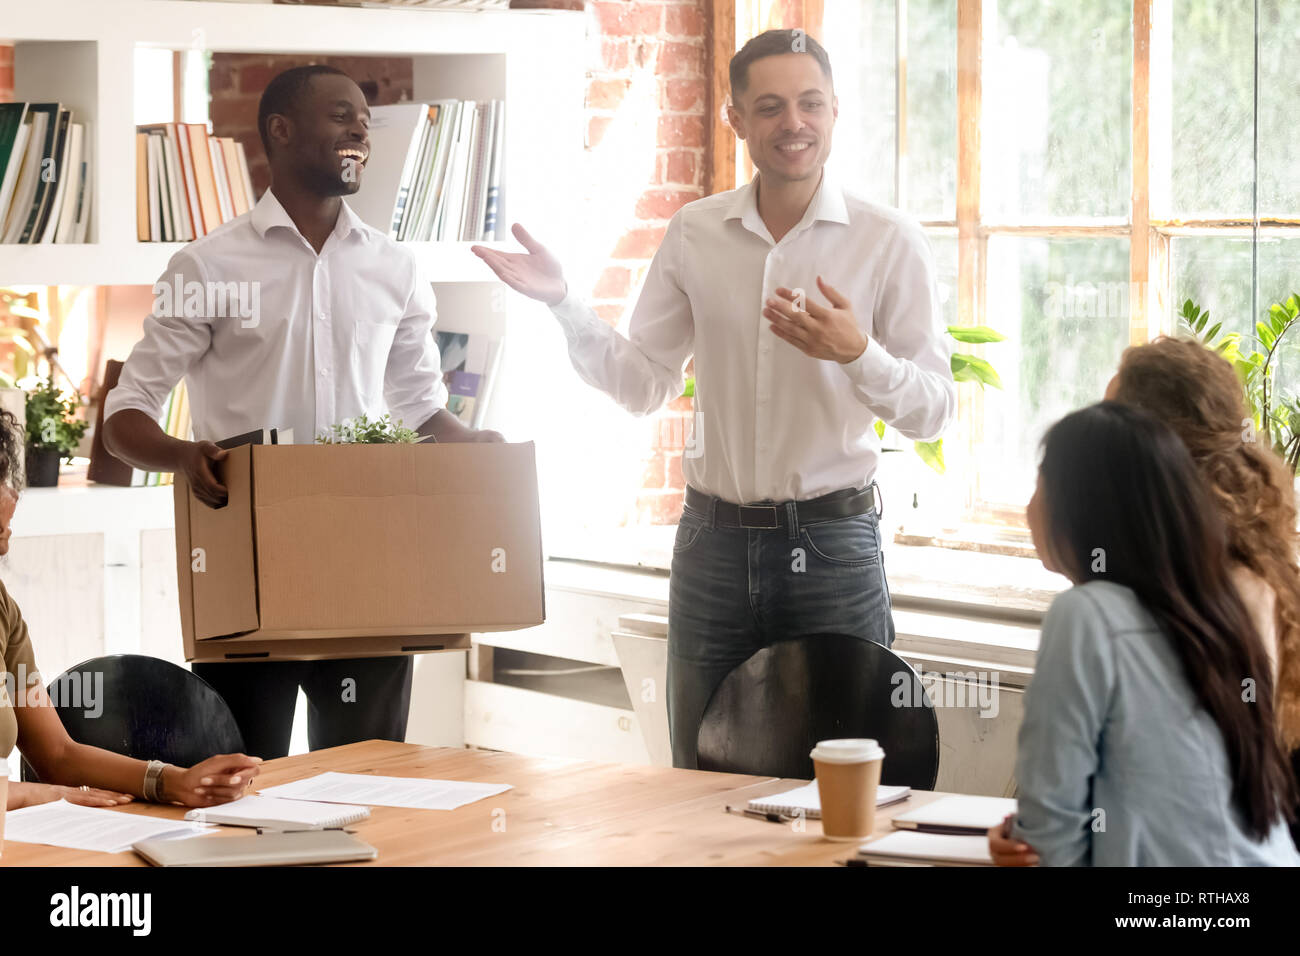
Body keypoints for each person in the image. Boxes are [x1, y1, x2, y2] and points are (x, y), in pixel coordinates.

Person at [472, 30, 955, 768]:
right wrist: (565, 302)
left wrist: (858, 352)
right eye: (769, 106)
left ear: (834, 111)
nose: (793, 122)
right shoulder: (697, 233)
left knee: (853, 786)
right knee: (699, 780)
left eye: (810, 103)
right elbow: (641, 384)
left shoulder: (888, 241)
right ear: (736, 119)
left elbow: (933, 410)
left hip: (832, 547)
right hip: (713, 549)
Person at [102, 66, 502, 760]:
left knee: (365, 777)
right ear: (280, 132)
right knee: (242, 781)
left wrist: (473, 445)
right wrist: (180, 454)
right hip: (245, 562)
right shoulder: (209, 268)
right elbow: (125, 414)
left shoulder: (394, 268)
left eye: (365, 122)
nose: (359, 131)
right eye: (341, 116)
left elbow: (419, 405)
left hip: (369, 564)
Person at [988, 402, 1298, 866]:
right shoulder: (1217, 607)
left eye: (1040, 483)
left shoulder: (1086, 615)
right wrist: (1025, 835)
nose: (1029, 506)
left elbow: (1050, 833)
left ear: (1081, 507)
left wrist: (1029, 839)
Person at [0, 410, 259, 811]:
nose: (4, 549)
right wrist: (35, 793)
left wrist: (175, 782)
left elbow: (57, 754)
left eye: (7, 531)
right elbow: (47, 781)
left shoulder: (3, 611)